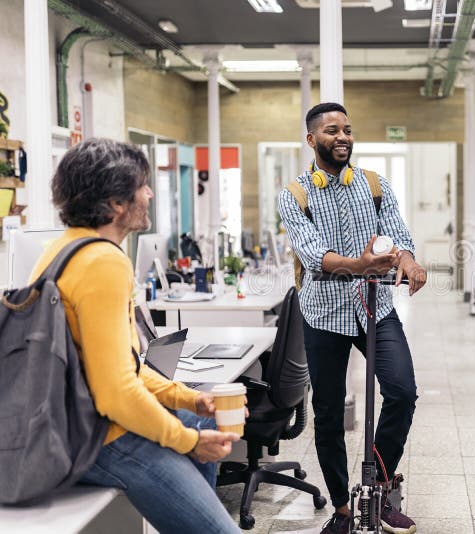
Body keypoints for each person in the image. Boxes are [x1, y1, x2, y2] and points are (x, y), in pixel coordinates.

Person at [31, 138, 241, 533]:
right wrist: (186, 442)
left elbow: (119, 368)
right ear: (116, 203)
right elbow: (116, 393)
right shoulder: (104, 262)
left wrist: (190, 398)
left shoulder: (62, 249)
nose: (149, 194)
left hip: (65, 425)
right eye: (142, 186)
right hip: (98, 439)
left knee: (197, 422)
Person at [278, 102, 427, 534]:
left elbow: (398, 232)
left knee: (402, 391)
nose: (342, 136)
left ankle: (377, 490)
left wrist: (409, 259)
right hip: (323, 313)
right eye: (331, 131)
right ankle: (344, 509)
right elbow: (313, 256)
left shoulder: (373, 184)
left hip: (374, 307)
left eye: (347, 129)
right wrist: (360, 265)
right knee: (327, 413)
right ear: (312, 140)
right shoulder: (295, 194)